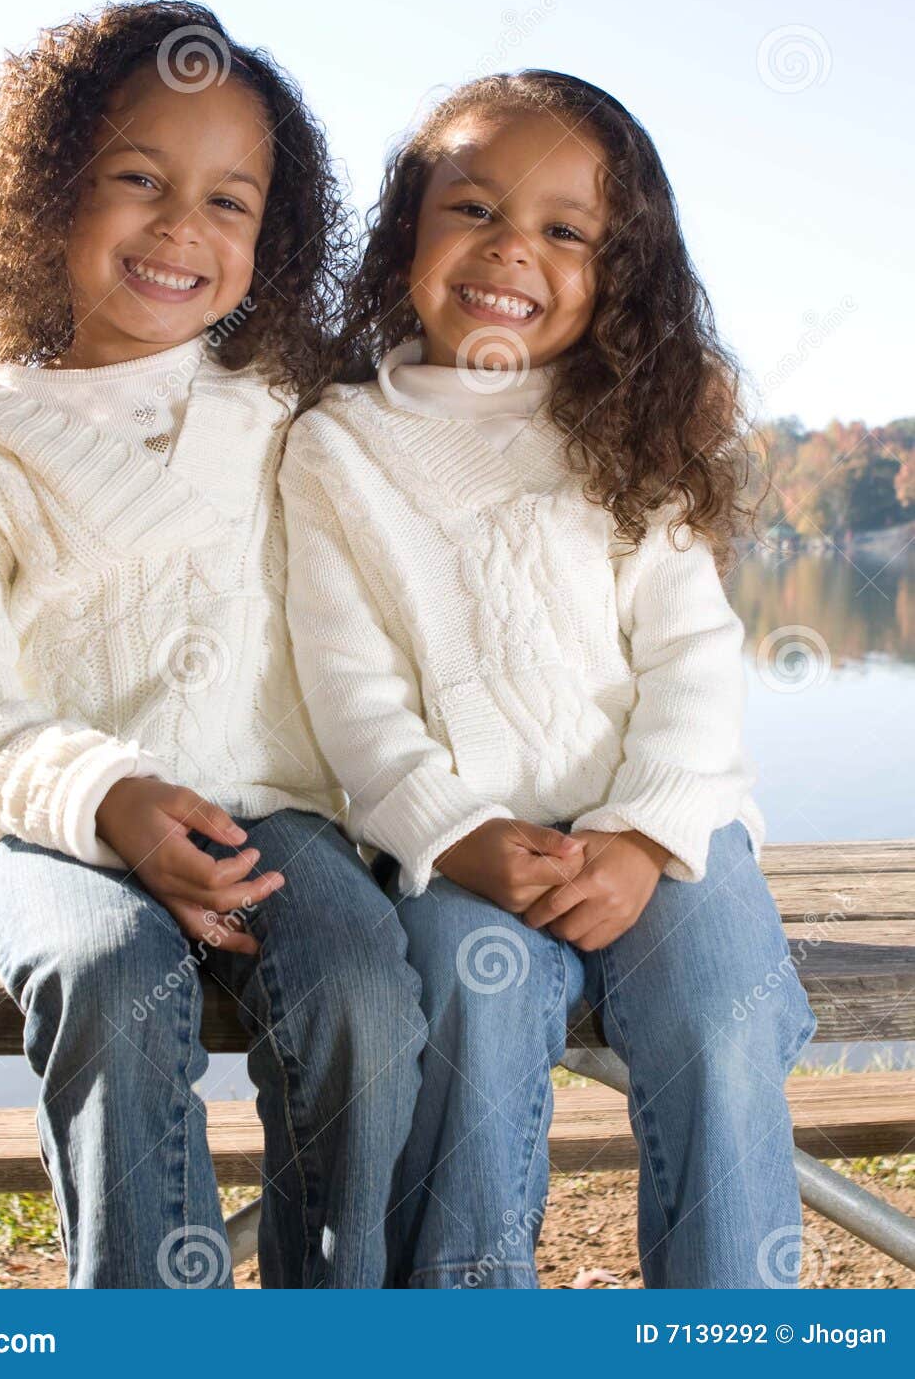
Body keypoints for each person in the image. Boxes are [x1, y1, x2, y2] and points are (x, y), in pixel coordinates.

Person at [0, 0, 425, 1288]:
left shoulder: (291, 407)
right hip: (57, 823)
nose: (184, 224)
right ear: (46, 191)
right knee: (110, 976)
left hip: (275, 809)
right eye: (139, 178)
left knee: (362, 986)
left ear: (271, 235)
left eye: (231, 201)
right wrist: (107, 797)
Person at [279, 69, 817, 1289]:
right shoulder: (338, 447)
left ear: (614, 271)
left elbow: (692, 659)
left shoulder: (630, 429)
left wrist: (641, 833)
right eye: (473, 209)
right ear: (409, 226)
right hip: (465, 846)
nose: (511, 251)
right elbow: (349, 689)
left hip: (667, 831)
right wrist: (452, 830)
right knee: (474, 1014)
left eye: (565, 231)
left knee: (720, 1019)